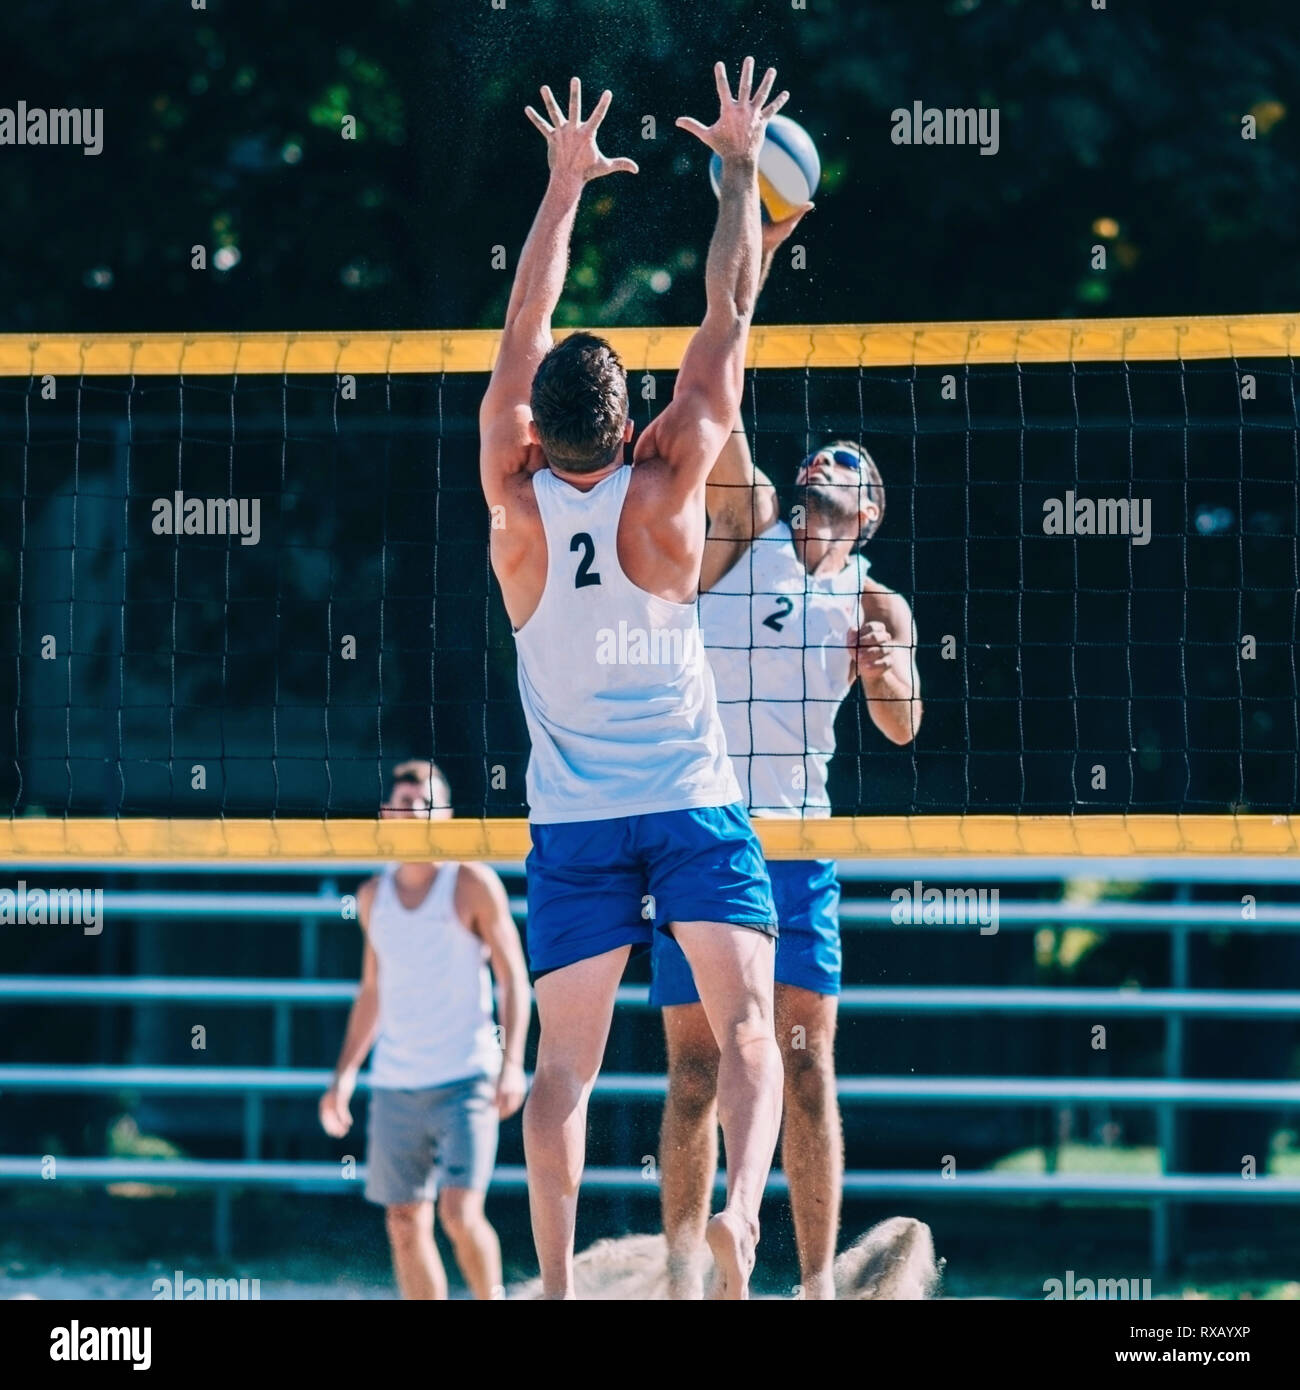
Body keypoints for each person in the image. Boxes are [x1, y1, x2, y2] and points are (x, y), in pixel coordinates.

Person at [478, 60, 789, 1298]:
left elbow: (521, 332)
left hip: (578, 821)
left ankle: (553, 1287)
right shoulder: (668, 487)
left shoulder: (511, 511)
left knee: (563, 1076)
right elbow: (730, 314)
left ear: (535, 432)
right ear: (635, 423)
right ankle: (744, 1219)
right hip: (691, 802)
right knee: (753, 1030)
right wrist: (734, 174)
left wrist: (562, 187)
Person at [652, 221, 923, 1297]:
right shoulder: (743, 521)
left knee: (807, 1076)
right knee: (692, 1073)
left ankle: (811, 1288)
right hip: (703, 830)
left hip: (797, 844)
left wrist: (881, 667)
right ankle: (682, 1281)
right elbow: (716, 358)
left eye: (834, 500)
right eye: (808, 490)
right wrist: (747, 221)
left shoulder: (872, 598)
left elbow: (904, 724)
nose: (812, 507)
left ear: (866, 520)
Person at [319, 759, 531, 1300]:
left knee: (460, 1213)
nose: (412, 810)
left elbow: (514, 979)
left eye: (424, 802)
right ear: (385, 814)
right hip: (395, 1080)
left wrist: (512, 1064)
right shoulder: (373, 895)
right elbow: (373, 991)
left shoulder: (471, 883)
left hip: (467, 1074)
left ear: (446, 814)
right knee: (403, 1221)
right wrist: (344, 1075)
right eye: (404, 801)